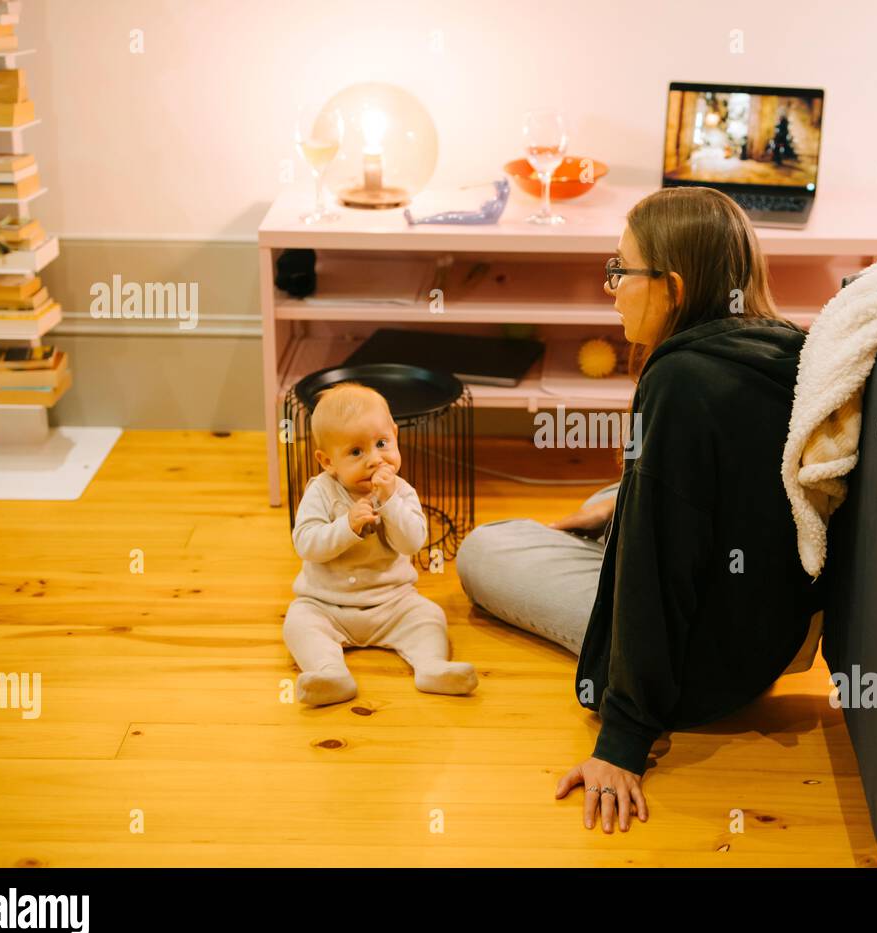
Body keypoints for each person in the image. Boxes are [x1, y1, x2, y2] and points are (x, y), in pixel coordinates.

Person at [456, 186, 822, 833]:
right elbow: (718, 491)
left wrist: (623, 738)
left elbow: (660, 565)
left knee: (485, 548)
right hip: (775, 631)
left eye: (621, 271)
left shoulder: (679, 382)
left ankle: (606, 533)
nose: (612, 287)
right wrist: (620, 515)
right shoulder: (785, 347)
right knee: (613, 498)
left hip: (704, 660)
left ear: (673, 287)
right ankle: (609, 516)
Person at [283, 383, 478, 705]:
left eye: (381, 443)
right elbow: (306, 544)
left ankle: (432, 667)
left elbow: (413, 542)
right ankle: (330, 673)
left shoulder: (400, 492)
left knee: (428, 616)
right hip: (327, 605)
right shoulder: (320, 491)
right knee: (298, 623)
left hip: (392, 603)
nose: (375, 459)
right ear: (327, 461)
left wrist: (390, 504)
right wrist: (347, 526)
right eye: (356, 452)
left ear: (395, 437)